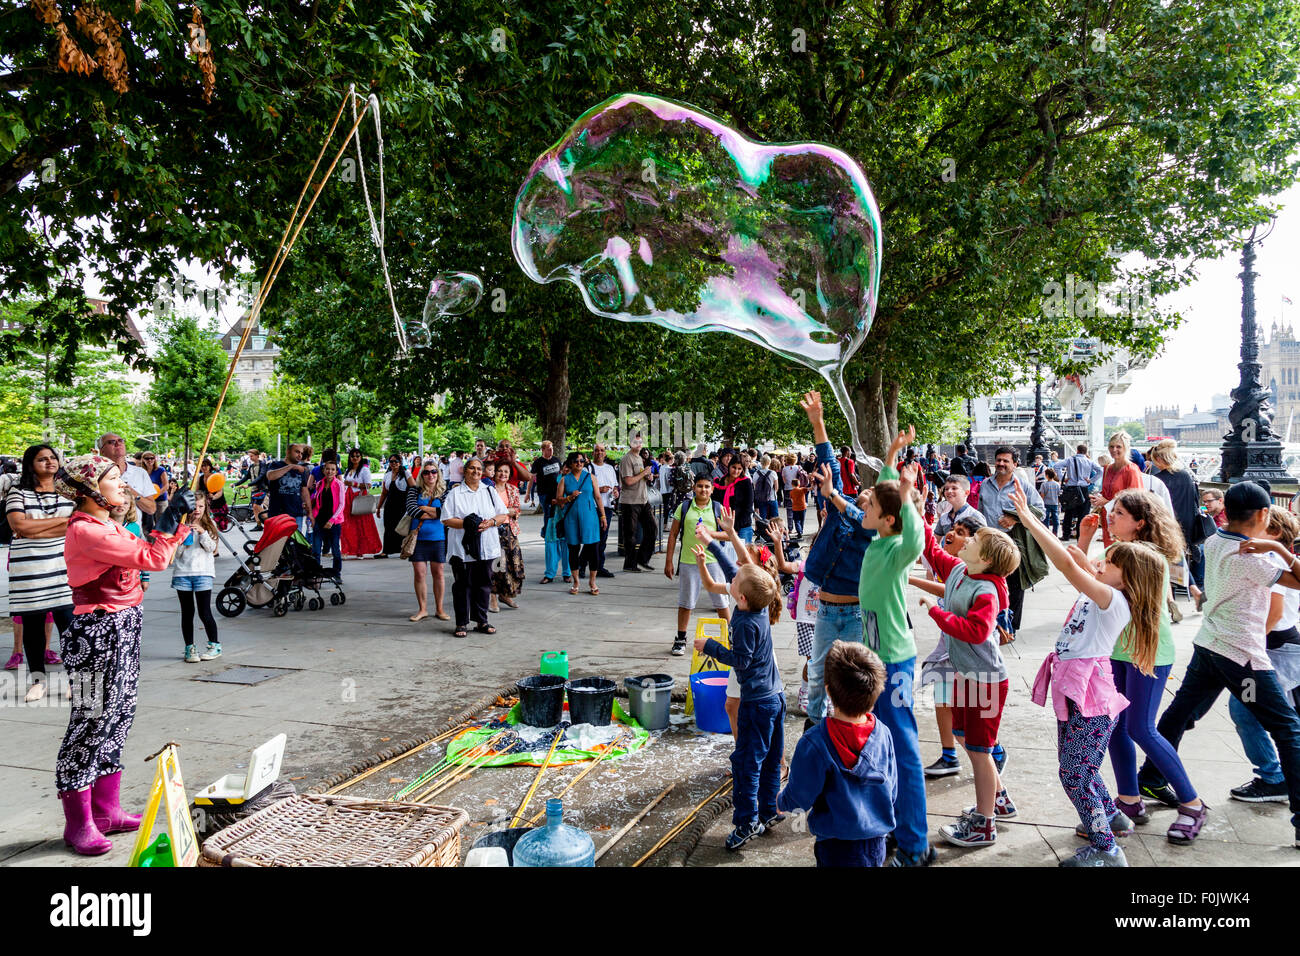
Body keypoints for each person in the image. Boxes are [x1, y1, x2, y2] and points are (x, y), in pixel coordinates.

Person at [1135, 482, 1300, 850]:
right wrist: (1276, 547)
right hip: (1242, 660)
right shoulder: (1254, 559)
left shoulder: (1214, 541)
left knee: (1181, 713)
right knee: (1288, 729)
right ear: (1262, 515)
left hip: (1210, 645)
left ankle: (1150, 775)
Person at [1009, 480, 1165, 867]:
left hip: (1090, 699)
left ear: (1126, 577)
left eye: (1109, 563)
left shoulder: (1112, 599)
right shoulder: (1106, 589)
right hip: (1078, 690)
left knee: (1074, 774)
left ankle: (1106, 847)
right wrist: (1085, 536)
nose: (1101, 563)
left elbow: (1066, 562)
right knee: (1079, 766)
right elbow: (1077, 557)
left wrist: (1029, 519)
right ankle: (1110, 816)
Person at [53, 454, 192, 855]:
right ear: (89, 489)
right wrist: (168, 521)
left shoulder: (105, 523)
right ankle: (78, 824)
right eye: (114, 478)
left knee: (119, 715)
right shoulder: (86, 530)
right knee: (91, 722)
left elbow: (150, 549)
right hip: (97, 632)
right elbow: (154, 557)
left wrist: (177, 520)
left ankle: (107, 811)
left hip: (123, 625)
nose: (123, 484)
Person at [1076, 491, 1204, 843]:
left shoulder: (1144, 556)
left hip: (1148, 650)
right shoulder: (1118, 550)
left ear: (1140, 522)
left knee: (1141, 729)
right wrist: (1086, 539)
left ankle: (1192, 804)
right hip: (1117, 648)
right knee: (1116, 725)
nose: (1111, 517)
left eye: (1118, 513)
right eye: (1112, 511)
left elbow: (1090, 581)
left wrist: (1083, 546)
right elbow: (1094, 577)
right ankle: (1130, 800)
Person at [826, 434, 929, 867]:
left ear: (887, 520)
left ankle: (916, 845)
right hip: (876, 660)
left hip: (895, 663)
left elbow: (915, 538)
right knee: (882, 745)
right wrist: (889, 462)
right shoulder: (880, 540)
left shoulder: (897, 548)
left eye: (869, 507)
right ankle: (893, 829)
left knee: (904, 751)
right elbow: (885, 496)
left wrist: (906, 497)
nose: (862, 507)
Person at [913, 524, 1021, 848]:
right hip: (966, 674)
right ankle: (999, 798)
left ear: (986, 559)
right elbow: (932, 553)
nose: (966, 539)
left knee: (979, 752)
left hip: (986, 681)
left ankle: (984, 823)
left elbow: (976, 631)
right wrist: (918, 517)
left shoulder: (987, 592)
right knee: (962, 735)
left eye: (974, 539)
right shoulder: (961, 570)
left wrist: (937, 613)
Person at [777, 640, 896, 866]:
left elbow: (801, 795)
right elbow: (892, 790)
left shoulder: (815, 742)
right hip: (876, 843)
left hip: (835, 846)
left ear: (829, 692)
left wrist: (781, 801)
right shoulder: (884, 734)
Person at [800, 392, 878, 731]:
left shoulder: (872, 530)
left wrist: (834, 495)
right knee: (816, 673)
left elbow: (862, 520)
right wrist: (818, 423)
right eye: (864, 490)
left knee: (850, 676)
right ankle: (815, 730)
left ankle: (848, 727)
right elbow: (829, 463)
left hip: (856, 613)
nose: (865, 493)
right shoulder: (839, 506)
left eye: (873, 498)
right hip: (828, 610)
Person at [695, 564, 785, 850]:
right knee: (771, 758)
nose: (730, 579)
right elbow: (734, 569)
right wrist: (715, 541)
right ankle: (770, 809)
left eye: (733, 581)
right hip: (775, 698)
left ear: (742, 598)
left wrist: (709, 646)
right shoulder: (757, 609)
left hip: (757, 704)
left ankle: (746, 822)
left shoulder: (745, 623)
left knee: (746, 763)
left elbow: (741, 660)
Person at [1225, 506, 1300, 804]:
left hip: (1275, 649)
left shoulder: (1271, 561)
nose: (1250, 527)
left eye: (1259, 523)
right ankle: (1274, 775)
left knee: (1246, 709)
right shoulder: (1278, 560)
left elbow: (1275, 613)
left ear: (1274, 533)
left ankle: (1273, 777)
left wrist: (1249, 647)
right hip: (1280, 647)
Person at [6, 444, 74, 702]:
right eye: (42, 459)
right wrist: (62, 521)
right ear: (30, 464)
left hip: (62, 569)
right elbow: (17, 524)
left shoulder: (69, 492)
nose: (49, 462)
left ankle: (73, 678)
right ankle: (38, 680)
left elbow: (76, 525)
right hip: (29, 571)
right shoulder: (18, 492)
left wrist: (34, 529)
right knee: (33, 629)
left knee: (69, 628)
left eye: (52, 458)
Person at [978, 446, 1047, 636]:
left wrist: (1015, 517)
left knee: (1014, 587)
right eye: (998, 460)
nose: (1000, 464)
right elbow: (980, 512)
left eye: (1005, 461)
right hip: (990, 544)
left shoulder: (1022, 486)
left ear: (1014, 464)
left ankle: (1010, 628)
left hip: (1014, 546)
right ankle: (991, 624)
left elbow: (1040, 510)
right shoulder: (985, 484)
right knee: (990, 585)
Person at [664, 473, 731, 655]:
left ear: (712, 489)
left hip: (713, 561)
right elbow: (673, 534)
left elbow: (729, 534)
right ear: (694, 487)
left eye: (707, 486)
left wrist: (711, 533)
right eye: (700, 486)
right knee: (686, 602)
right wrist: (669, 560)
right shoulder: (684, 507)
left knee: (721, 601)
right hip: (688, 561)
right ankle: (680, 638)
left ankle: (731, 637)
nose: (703, 490)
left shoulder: (718, 508)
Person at [441, 458, 508, 637]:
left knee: (484, 584)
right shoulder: (455, 493)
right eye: (472, 468)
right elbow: (446, 519)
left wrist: (491, 522)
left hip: (487, 547)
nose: (476, 472)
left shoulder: (489, 491)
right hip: (463, 550)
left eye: (479, 469)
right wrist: (467, 524)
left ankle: (481, 621)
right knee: (463, 585)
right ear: (465, 470)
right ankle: (462, 622)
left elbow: (503, 515)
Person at [1148, 439, 1206, 610]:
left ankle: (1171, 599)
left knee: (1164, 558)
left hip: (1165, 523)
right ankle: (1193, 591)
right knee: (1177, 556)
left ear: (1159, 460)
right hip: (1186, 524)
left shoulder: (1157, 480)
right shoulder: (1187, 476)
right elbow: (1195, 501)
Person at [173, 491, 222, 663]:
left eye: (201, 506)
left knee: (204, 611)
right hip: (183, 574)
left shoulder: (209, 525)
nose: (197, 510)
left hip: (203, 573)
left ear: (205, 507)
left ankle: (214, 645)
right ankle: (190, 648)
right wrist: (181, 539)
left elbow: (212, 549)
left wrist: (202, 532)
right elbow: (175, 555)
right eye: (194, 506)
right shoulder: (180, 525)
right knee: (187, 613)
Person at [556, 451, 605, 596]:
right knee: (573, 549)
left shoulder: (590, 477)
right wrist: (569, 498)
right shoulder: (564, 480)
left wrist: (603, 515)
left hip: (590, 517)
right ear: (570, 463)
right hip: (571, 518)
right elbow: (558, 500)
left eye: (582, 461)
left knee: (593, 549)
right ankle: (576, 581)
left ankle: (592, 581)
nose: (579, 463)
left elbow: (597, 496)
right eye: (576, 461)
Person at [405, 462, 449, 622]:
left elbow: (445, 512)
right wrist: (434, 512)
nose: (430, 475)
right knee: (419, 573)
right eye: (426, 472)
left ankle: (439, 609)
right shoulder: (414, 490)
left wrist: (425, 509)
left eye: (433, 472)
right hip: (418, 539)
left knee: (438, 573)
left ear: (438, 474)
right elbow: (412, 510)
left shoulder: (444, 491)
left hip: (438, 538)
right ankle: (422, 609)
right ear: (421, 475)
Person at [1093, 432, 1144, 547]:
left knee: (1121, 555)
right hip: (1108, 519)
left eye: (1118, 446)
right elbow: (1106, 493)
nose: (1114, 449)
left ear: (1126, 448)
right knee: (1109, 554)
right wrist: (1098, 499)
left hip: (1124, 523)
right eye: (1111, 446)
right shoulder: (1107, 468)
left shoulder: (1131, 470)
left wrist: (1106, 502)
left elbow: (1135, 501)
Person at [95, 434, 158, 521]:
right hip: (104, 530)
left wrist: (134, 494)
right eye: (111, 442)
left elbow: (151, 509)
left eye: (121, 441)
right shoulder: (95, 474)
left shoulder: (140, 473)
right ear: (102, 451)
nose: (118, 444)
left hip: (133, 531)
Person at [618, 436, 658, 572]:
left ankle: (642, 558)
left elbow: (639, 478)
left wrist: (648, 476)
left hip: (643, 500)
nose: (639, 444)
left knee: (652, 528)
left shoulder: (639, 458)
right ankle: (630, 564)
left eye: (640, 442)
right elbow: (628, 481)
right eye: (636, 442)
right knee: (630, 534)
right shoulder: (626, 459)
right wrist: (644, 474)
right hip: (630, 501)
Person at [489, 461, 525, 610]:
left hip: (510, 530)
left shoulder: (513, 489)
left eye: (506, 471)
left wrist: (503, 511)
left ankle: (505, 594)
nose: (502, 474)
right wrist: (507, 511)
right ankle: (492, 598)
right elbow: (488, 511)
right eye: (499, 471)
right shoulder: (488, 489)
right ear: (494, 472)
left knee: (513, 564)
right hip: (492, 531)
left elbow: (517, 510)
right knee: (497, 565)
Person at [340, 449, 381, 558]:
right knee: (346, 525)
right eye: (352, 456)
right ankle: (346, 550)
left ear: (361, 457)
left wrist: (353, 484)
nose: (355, 458)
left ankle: (360, 550)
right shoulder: (349, 469)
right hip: (348, 498)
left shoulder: (364, 470)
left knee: (361, 525)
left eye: (357, 456)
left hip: (359, 498)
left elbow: (368, 485)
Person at [310, 459, 345, 580]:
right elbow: (315, 500)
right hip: (319, 520)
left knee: (335, 550)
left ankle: (336, 573)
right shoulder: (320, 483)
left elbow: (341, 504)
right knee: (316, 550)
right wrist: (312, 517)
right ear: (324, 470)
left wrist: (332, 520)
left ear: (336, 471)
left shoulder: (339, 484)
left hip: (333, 522)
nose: (330, 471)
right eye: (327, 469)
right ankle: (315, 573)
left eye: (333, 469)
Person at [1059, 443, 1101, 541]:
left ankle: (1066, 534)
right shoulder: (1089, 461)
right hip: (1083, 489)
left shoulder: (1070, 460)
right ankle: (1080, 536)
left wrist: (1063, 478)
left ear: (1077, 450)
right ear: (1086, 452)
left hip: (1071, 489)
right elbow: (1100, 471)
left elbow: (1057, 466)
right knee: (1083, 514)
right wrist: (1091, 480)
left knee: (1069, 513)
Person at [588, 443, 619, 578]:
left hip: (608, 506)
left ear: (605, 453)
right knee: (593, 538)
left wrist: (616, 491)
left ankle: (599, 566)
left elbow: (615, 485)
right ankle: (585, 565)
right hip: (593, 508)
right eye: (596, 450)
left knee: (603, 538)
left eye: (602, 450)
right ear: (593, 453)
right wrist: (599, 490)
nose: (599, 453)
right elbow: (585, 488)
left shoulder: (610, 468)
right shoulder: (588, 469)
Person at [266, 444, 309, 533]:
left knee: (295, 544)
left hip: (296, 513)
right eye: (297, 452)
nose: (300, 455)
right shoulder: (276, 465)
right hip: (277, 513)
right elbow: (270, 476)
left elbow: (304, 491)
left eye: (301, 453)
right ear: (288, 452)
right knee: (277, 544)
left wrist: (310, 513)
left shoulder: (301, 470)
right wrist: (291, 466)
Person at [714, 457, 755, 543]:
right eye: (734, 467)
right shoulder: (720, 482)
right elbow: (715, 504)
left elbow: (748, 508)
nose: (736, 471)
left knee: (742, 555)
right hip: (722, 525)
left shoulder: (746, 483)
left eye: (739, 469)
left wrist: (734, 528)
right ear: (729, 466)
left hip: (742, 527)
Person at [934, 474, 986, 540]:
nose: (949, 491)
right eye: (946, 489)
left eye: (954, 488)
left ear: (966, 493)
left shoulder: (975, 516)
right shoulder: (944, 517)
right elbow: (935, 542)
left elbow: (984, 543)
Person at [377, 455, 410, 557]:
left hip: (402, 505)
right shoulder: (387, 475)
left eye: (396, 461)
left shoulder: (406, 473)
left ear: (400, 462)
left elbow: (413, 488)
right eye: (391, 461)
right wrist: (379, 507)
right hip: (389, 505)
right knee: (388, 527)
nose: (394, 463)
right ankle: (386, 551)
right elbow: (384, 492)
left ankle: (404, 549)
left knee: (402, 527)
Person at [530, 441, 562, 536]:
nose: (551, 451)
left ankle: (552, 531)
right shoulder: (538, 462)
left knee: (556, 513)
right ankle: (546, 533)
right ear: (543, 450)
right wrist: (528, 493)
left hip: (556, 492)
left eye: (552, 449)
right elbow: (532, 478)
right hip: (544, 492)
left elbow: (561, 475)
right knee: (548, 513)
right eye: (548, 449)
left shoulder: (556, 460)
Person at [1042, 467, 1062, 535]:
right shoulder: (1057, 484)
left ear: (1047, 475)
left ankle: (1046, 533)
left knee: (1046, 519)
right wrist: (1059, 503)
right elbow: (1059, 495)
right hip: (1055, 503)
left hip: (1046, 503)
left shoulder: (1044, 484)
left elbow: (1042, 495)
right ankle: (1055, 533)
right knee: (1055, 518)